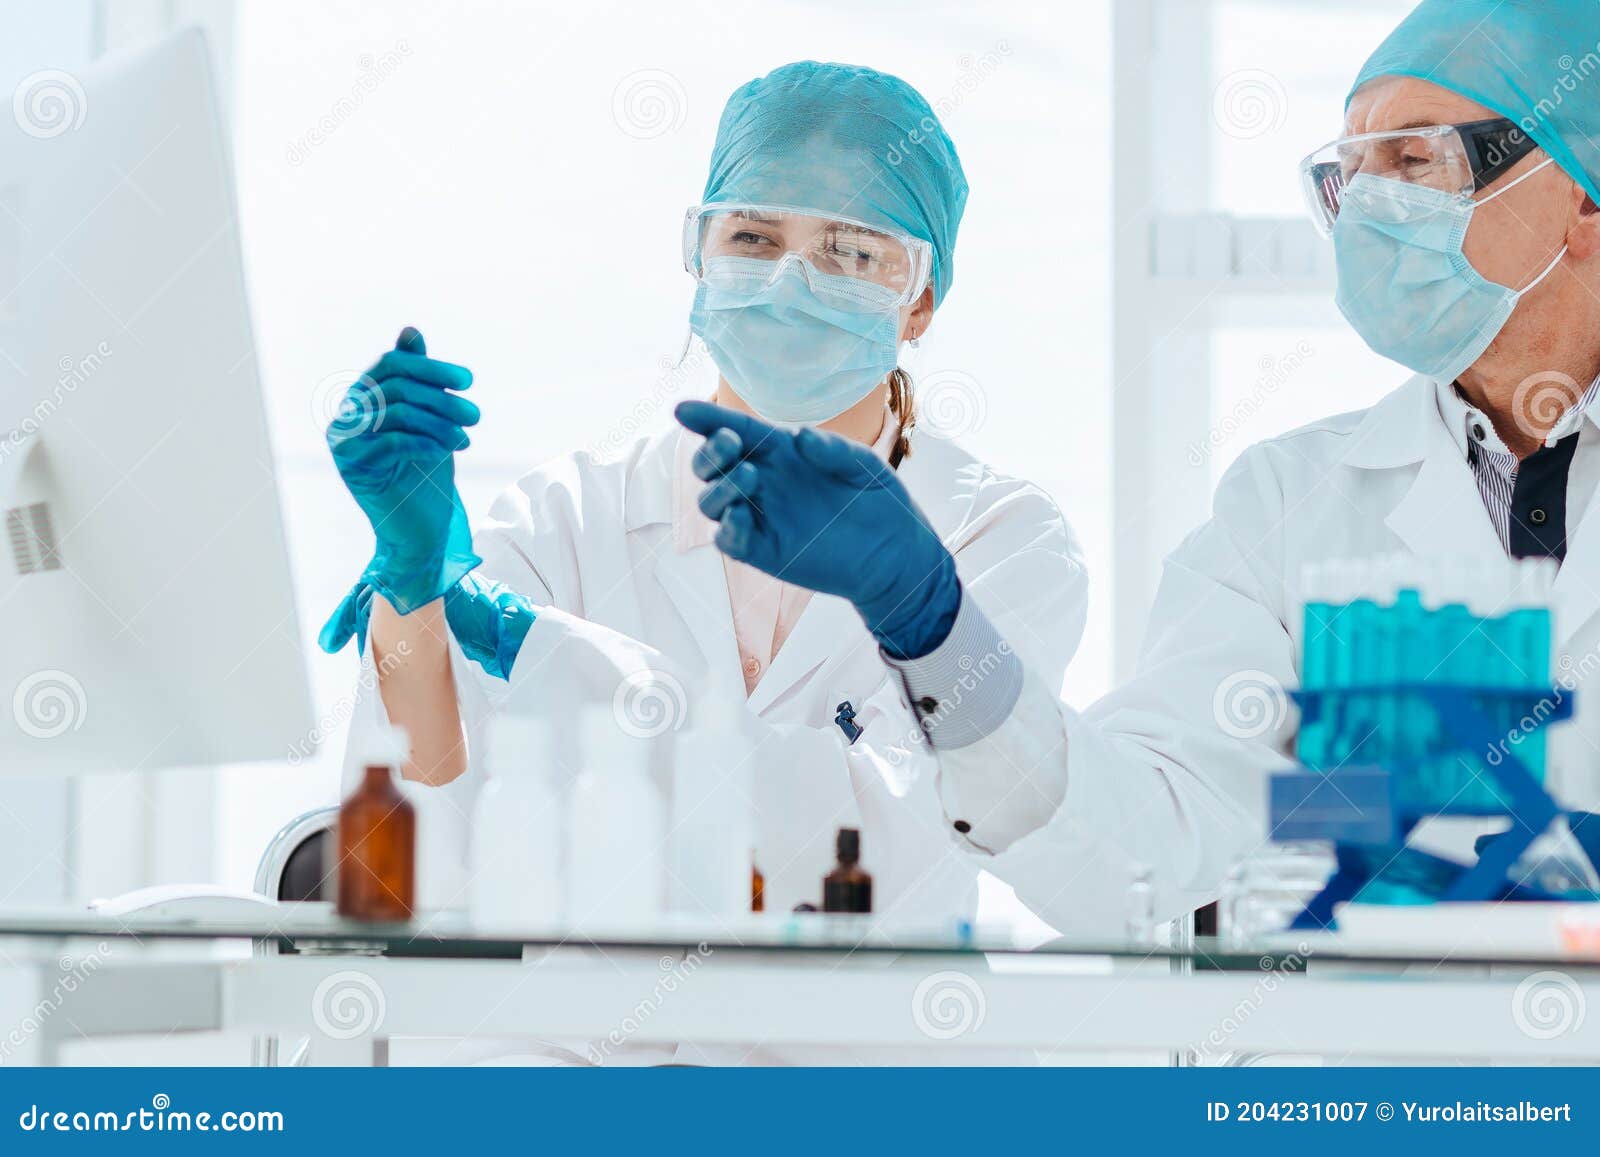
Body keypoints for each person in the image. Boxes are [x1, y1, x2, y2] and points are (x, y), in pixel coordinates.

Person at [678, 0, 1600, 932]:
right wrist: (938, 628)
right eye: (1349, 171)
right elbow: (1137, 851)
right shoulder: (1286, 503)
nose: (1365, 205)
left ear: (1585, 195)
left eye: (1413, 161)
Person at [319, 62, 1088, 942]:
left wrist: (551, 658)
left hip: (858, 1060)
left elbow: (893, 850)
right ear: (699, 257)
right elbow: (438, 804)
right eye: (754, 238)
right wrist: (412, 595)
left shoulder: (999, 538)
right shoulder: (569, 516)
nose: (793, 279)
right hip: (581, 1055)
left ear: (920, 302)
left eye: (852, 250)